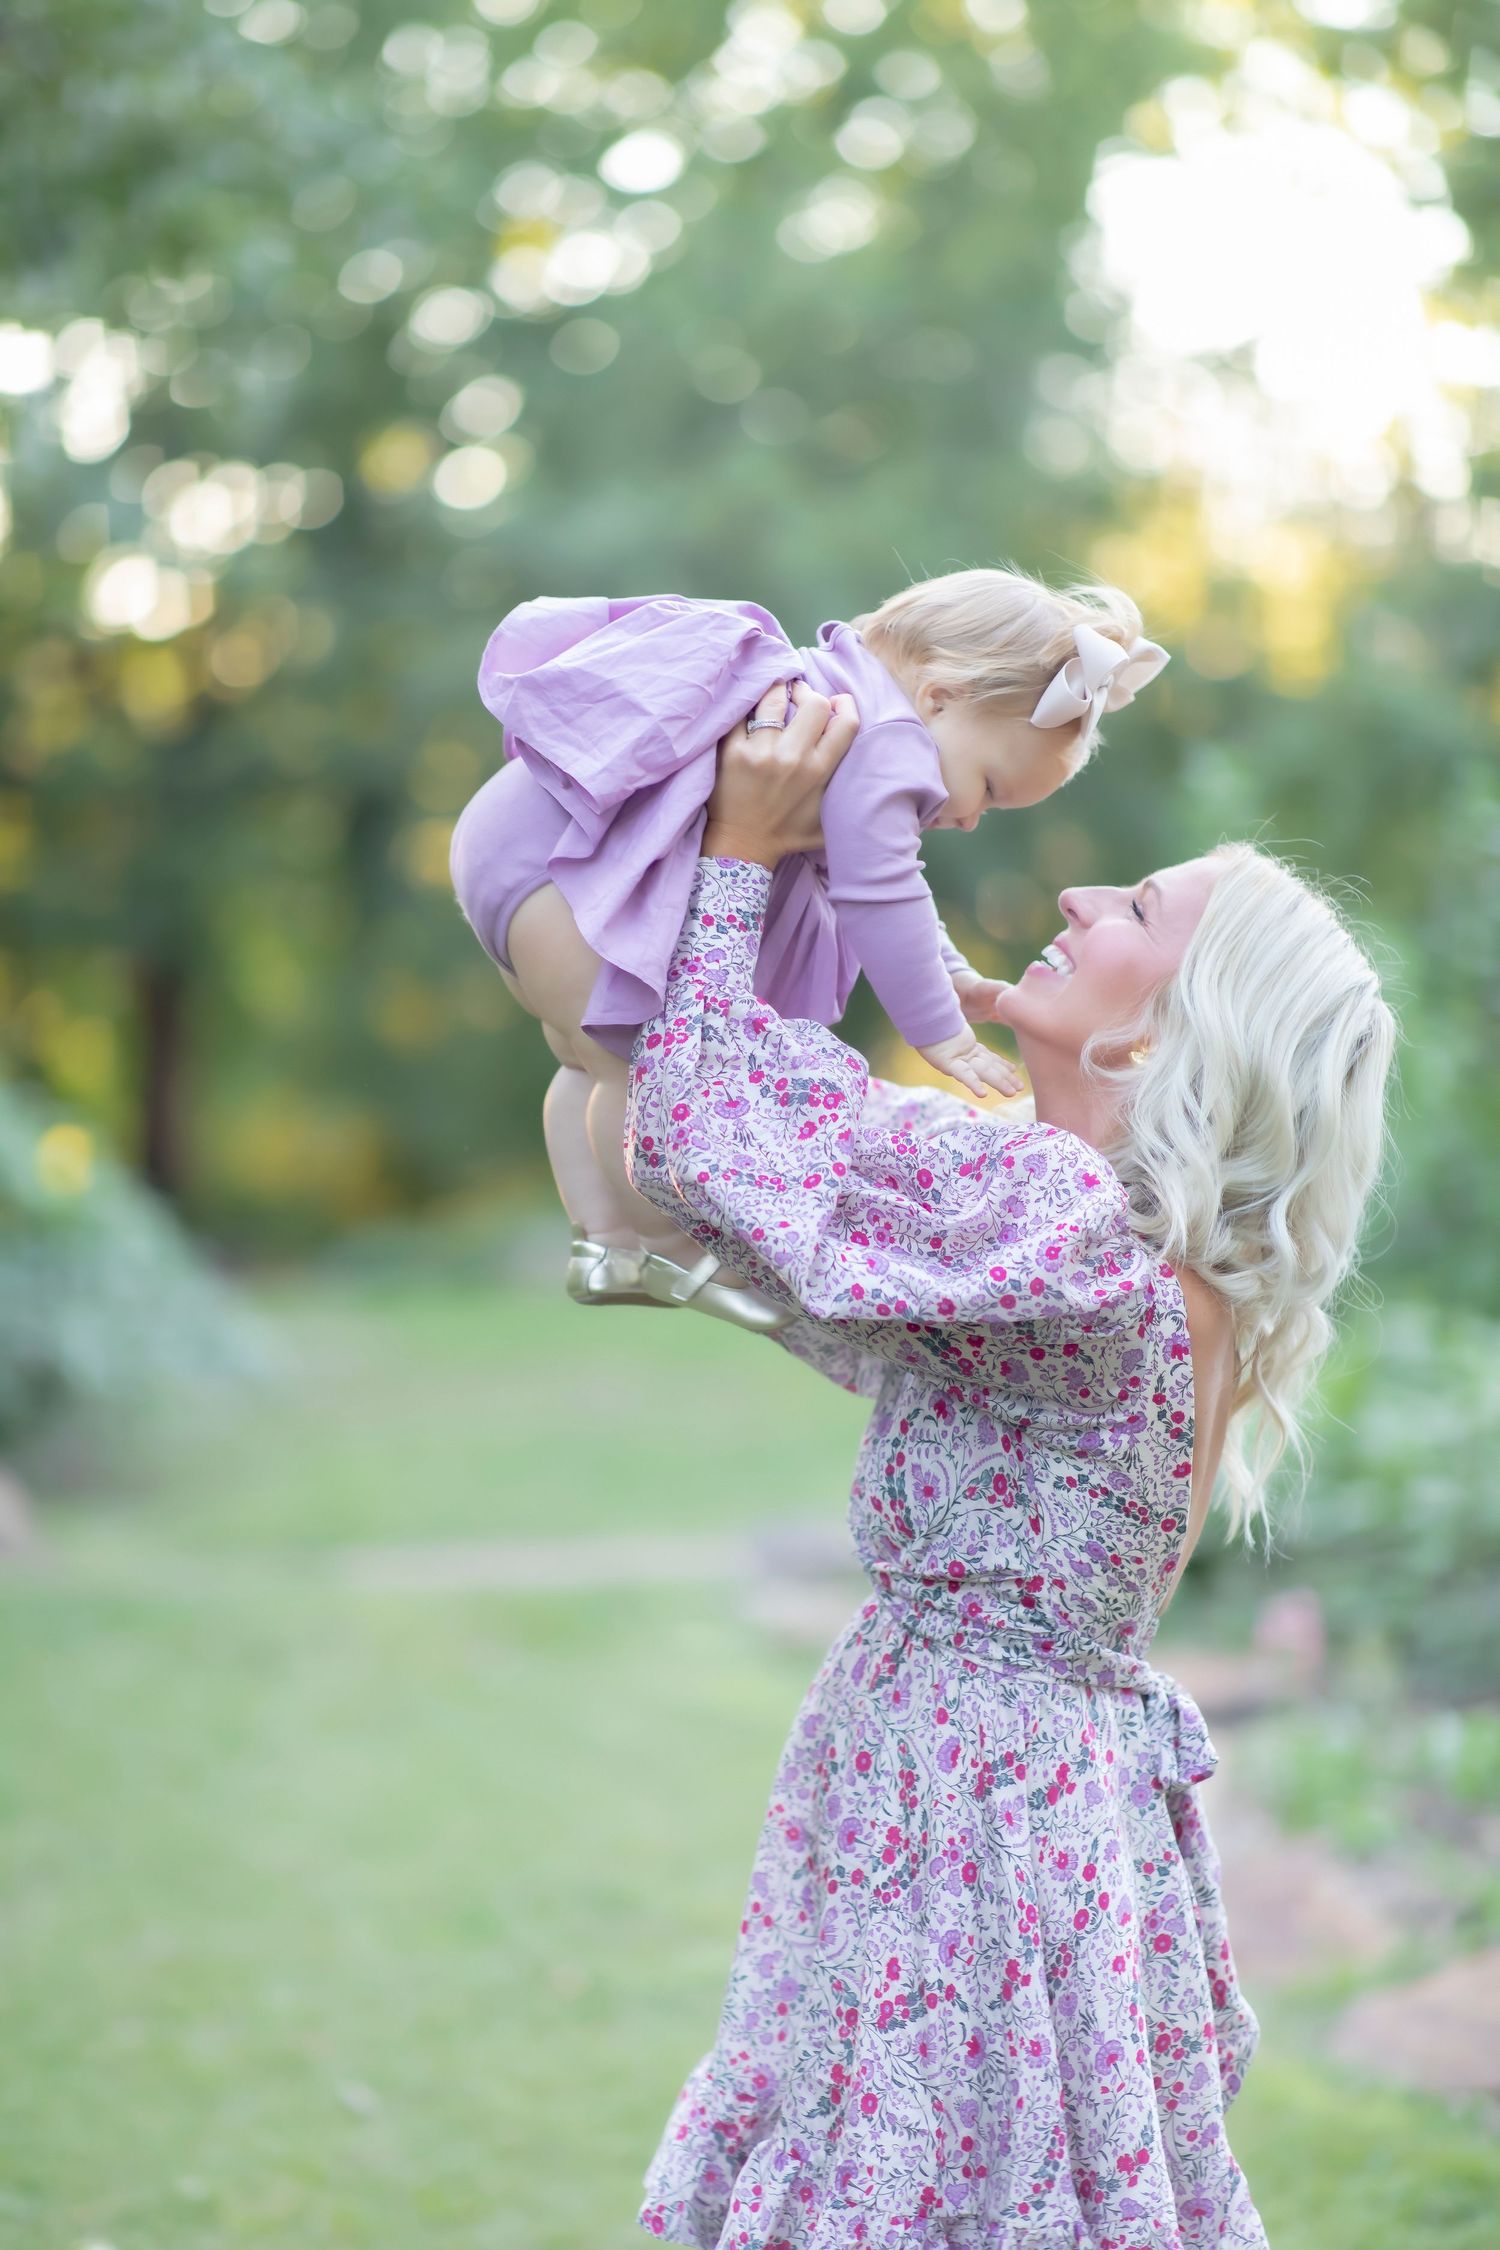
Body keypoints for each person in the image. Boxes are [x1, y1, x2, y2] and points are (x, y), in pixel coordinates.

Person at [626, 682, 1396, 2249]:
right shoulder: (1121, 1245)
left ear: (1172, 1023)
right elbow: (850, 1290)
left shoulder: (1068, 1229)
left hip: (969, 1798)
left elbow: (704, 1111)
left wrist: (739, 851)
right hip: (1003, 1786)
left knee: (906, 2190)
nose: (1072, 892)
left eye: (1135, 907)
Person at [448, 569, 1167, 1331]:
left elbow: (876, 881)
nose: (969, 818)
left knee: (584, 1059)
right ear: (940, 695)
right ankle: (668, 1245)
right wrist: (939, 1030)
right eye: (989, 786)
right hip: (563, 866)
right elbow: (881, 888)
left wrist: (949, 972)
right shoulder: (888, 739)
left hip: (521, 848)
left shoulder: (838, 701)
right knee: (638, 1060)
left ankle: (605, 1244)